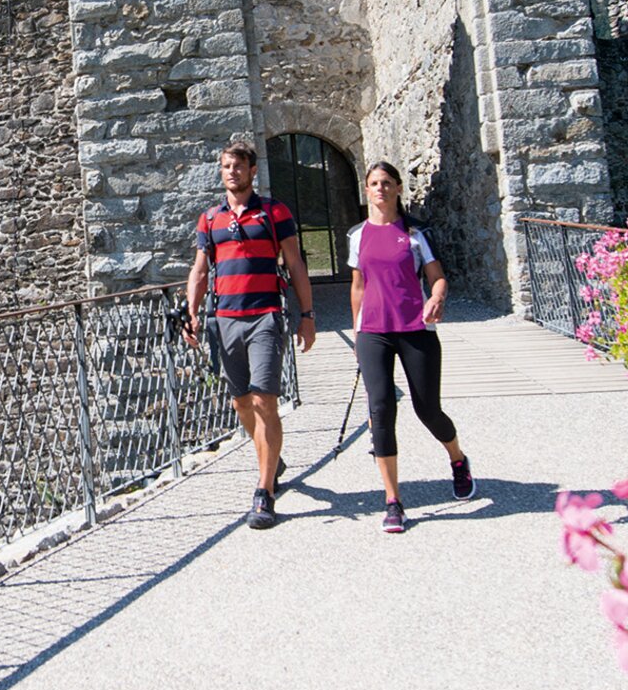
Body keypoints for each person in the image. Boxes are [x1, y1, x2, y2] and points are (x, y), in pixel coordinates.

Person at [184, 141, 317, 530]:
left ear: (252, 170)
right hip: (224, 319)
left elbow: (295, 264)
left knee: (264, 400)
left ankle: (264, 491)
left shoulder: (274, 212)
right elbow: (200, 270)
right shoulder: (209, 219)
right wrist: (192, 313)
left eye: (238, 166)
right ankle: (270, 458)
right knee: (241, 402)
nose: (232, 172)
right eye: (226, 166)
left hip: (265, 316)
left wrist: (307, 315)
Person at [347, 161, 468, 534]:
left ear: (398, 188)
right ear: (366, 190)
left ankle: (458, 459)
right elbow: (358, 286)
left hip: (416, 328)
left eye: (386, 183)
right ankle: (393, 501)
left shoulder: (416, 233)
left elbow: (438, 278)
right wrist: (357, 333)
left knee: (428, 409)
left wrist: (438, 298)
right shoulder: (357, 235)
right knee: (381, 408)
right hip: (374, 331)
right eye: (373, 183)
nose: (380, 189)